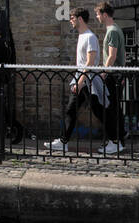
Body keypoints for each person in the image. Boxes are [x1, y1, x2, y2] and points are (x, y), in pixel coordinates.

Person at [46, 8, 120, 153]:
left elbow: (90, 62)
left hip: (88, 80)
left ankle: (115, 141)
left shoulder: (89, 37)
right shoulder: (82, 36)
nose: (70, 20)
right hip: (83, 78)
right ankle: (63, 141)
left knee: (99, 111)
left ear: (80, 19)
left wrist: (80, 81)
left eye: (72, 17)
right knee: (71, 110)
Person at [95, 1, 126, 155]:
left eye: (98, 14)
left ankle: (115, 142)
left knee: (110, 109)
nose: (97, 17)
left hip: (113, 76)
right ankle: (120, 138)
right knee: (115, 109)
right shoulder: (115, 29)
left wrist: (104, 72)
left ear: (104, 14)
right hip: (116, 75)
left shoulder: (112, 31)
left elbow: (112, 55)